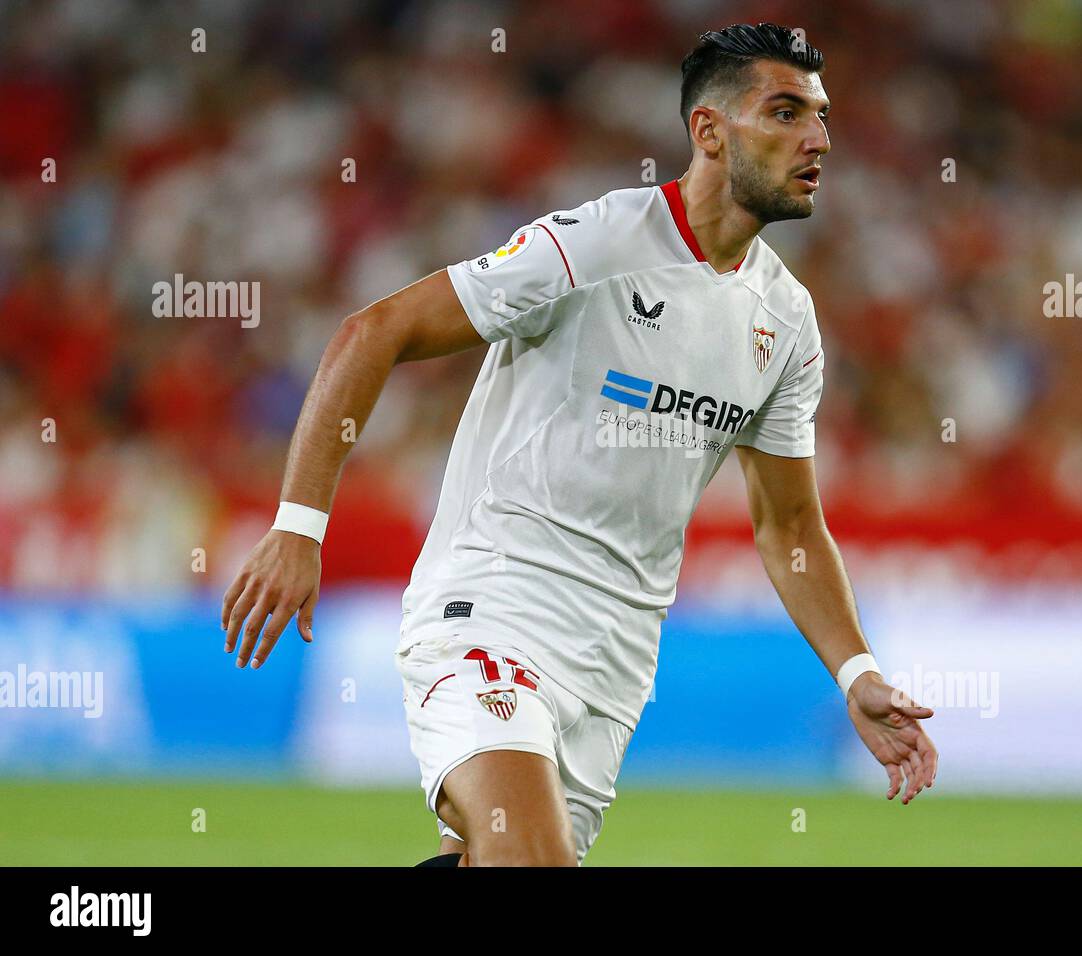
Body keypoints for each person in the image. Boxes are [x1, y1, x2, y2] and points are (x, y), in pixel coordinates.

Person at [220, 22, 938, 867]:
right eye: (785, 112)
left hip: (617, 659)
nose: (818, 138)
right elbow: (373, 331)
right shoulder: (597, 243)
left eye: (820, 116)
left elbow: (788, 527)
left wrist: (857, 675)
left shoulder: (786, 323)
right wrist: (300, 528)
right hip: (495, 606)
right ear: (709, 132)